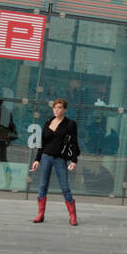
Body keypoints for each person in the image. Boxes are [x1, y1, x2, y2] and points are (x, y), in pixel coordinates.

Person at [30, 97, 81, 226]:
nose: (56, 110)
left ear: (64, 109)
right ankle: (40, 214)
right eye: (54, 107)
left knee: (65, 187)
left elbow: (74, 143)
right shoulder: (47, 123)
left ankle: (72, 215)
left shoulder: (70, 124)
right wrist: (37, 160)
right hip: (46, 156)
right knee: (43, 185)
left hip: (60, 159)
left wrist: (74, 160)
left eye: (59, 108)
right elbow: (42, 144)